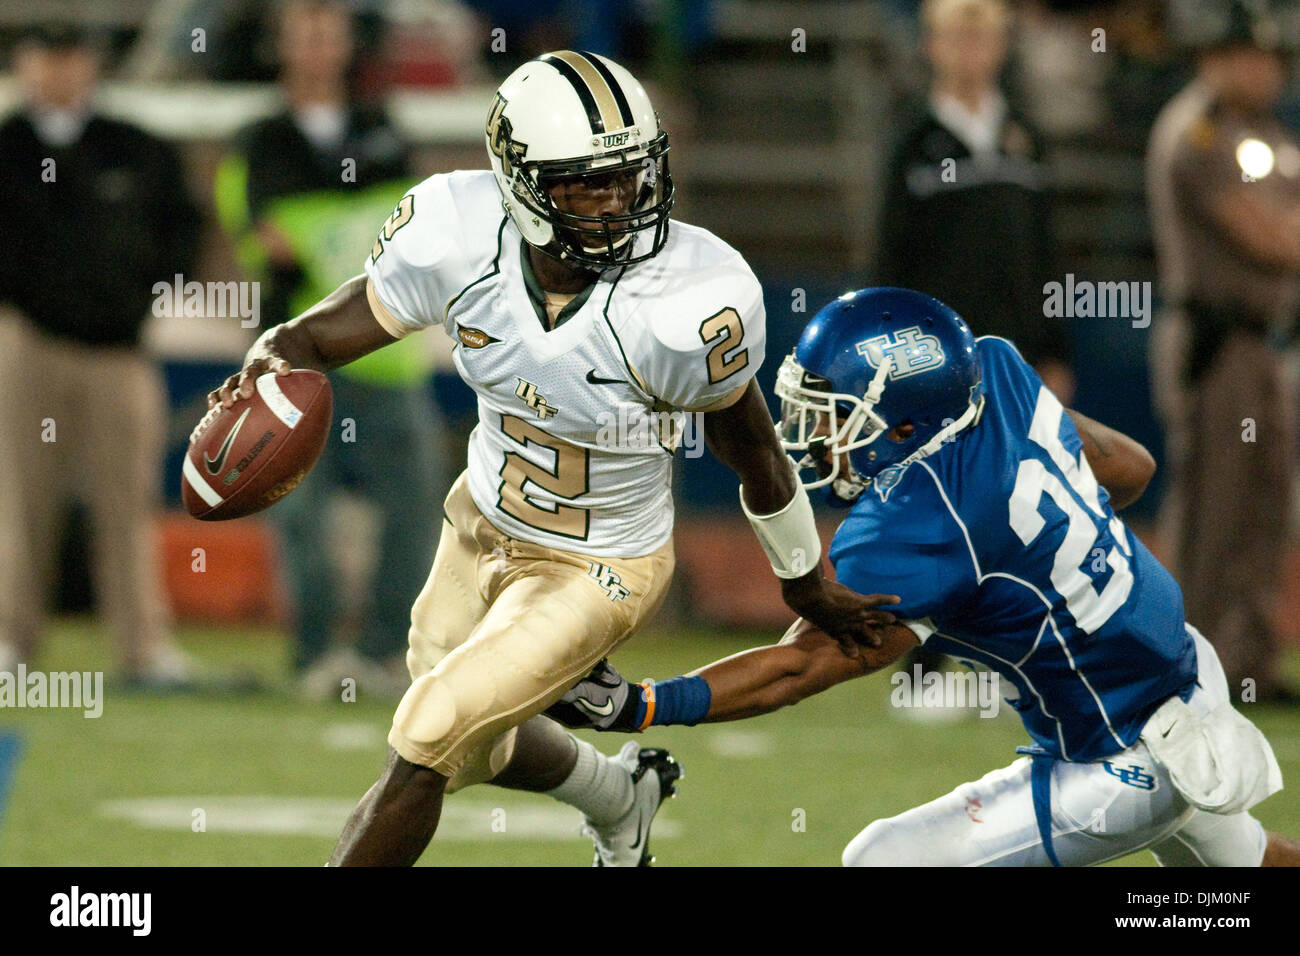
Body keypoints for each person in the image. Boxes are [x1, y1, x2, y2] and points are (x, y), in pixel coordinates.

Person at [207, 50, 895, 866]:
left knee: (431, 727)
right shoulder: (455, 234)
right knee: (476, 739)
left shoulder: (689, 300)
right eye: (584, 185)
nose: (617, 203)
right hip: (480, 521)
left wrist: (803, 579)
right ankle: (619, 794)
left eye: (629, 177)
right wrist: (267, 362)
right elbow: (318, 335)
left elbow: (751, 446)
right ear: (520, 183)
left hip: (600, 565)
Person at [554, 287, 1298, 867]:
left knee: (883, 860)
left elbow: (799, 666)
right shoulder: (998, 373)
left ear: (906, 427)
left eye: (835, 415)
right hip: (1188, 676)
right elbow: (1132, 469)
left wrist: (642, 704)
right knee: (1244, 867)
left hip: (1121, 757)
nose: (815, 436)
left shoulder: (925, 525)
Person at [215, 0, 449, 698]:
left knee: (415, 508)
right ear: (283, 44)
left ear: (347, 42)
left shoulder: (382, 128)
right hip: (296, 362)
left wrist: (318, 234)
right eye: (305, 33)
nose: (317, 46)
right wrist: (351, 237)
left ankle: (381, 655)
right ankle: (315, 654)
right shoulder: (260, 138)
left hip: (385, 354)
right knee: (298, 514)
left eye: (328, 32)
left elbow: (410, 230)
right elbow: (266, 243)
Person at [0, 22, 203, 688]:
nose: (59, 70)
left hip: (119, 348)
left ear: (90, 64)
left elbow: (183, 228)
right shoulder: (8, 147)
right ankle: (10, 640)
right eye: (46, 56)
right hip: (28, 343)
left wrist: (139, 296)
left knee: (129, 499)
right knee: (21, 498)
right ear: (24, 64)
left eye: (71, 55)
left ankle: (143, 645)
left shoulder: (135, 146)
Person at [1147, 0, 1300, 704]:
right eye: (1248, 56)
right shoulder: (1199, 130)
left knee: (1265, 502)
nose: (1264, 71)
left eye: (1270, 57)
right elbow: (1270, 236)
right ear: (1214, 58)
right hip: (1217, 343)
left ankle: (1250, 665)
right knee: (1215, 505)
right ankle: (1189, 662)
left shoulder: (1266, 133)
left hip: (1264, 341)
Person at [878, 0, 1071, 403]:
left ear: (1002, 47)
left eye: (981, 39)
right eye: (957, 39)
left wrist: (1055, 353)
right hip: (935, 360)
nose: (969, 52)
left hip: (1019, 358)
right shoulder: (912, 141)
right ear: (932, 46)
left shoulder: (1026, 138)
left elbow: (1045, 253)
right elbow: (889, 255)